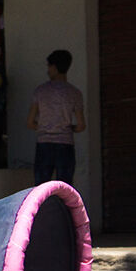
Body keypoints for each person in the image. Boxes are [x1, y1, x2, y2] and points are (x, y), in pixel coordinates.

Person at [27, 48, 84, 186]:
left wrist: (43, 127)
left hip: (44, 144)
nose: (48, 70)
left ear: (54, 67)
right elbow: (81, 125)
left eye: (49, 66)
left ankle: (44, 209)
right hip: (65, 145)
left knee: (41, 188)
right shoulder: (74, 93)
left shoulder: (40, 91)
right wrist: (68, 128)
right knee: (65, 189)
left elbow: (30, 122)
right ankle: (62, 209)